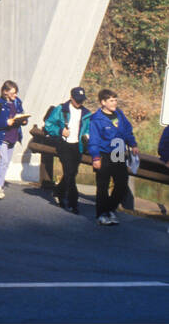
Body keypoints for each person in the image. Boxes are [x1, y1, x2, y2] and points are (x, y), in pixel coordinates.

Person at [88, 89, 139, 226]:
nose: (114, 103)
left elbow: (127, 130)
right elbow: (94, 140)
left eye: (115, 100)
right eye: (111, 100)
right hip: (104, 155)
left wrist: (133, 144)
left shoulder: (119, 114)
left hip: (119, 153)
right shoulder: (96, 119)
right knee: (103, 186)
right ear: (103, 102)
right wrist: (95, 158)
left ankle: (110, 209)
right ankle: (101, 214)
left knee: (122, 183)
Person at [43, 87, 91, 213]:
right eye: (77, 100)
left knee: (72, 173)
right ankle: (73, 203)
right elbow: (48, 124)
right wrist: (60, 131)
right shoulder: (61, 109)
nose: (80, 103)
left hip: (78, 146)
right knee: (69, 173)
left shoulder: (86, 113)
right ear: (71, 98)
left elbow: (87, 129)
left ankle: (58, 191)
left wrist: (87, 135)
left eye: (82, 100)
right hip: (64, 145)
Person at [0, 81, 27, 199]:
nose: (15, 95)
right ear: (5, 92)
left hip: (13, 136)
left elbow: (21, 113)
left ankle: (0, 183)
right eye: (13, 93)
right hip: (2, 136)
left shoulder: (17, 102)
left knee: (6, 162)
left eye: (16, 92)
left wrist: (24, 120)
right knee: (4, 161)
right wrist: (5, 122)